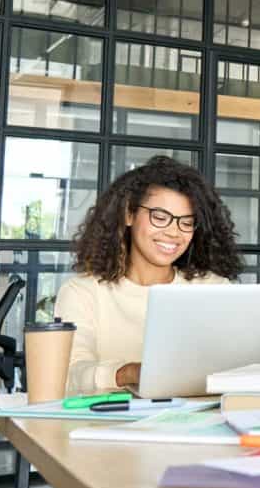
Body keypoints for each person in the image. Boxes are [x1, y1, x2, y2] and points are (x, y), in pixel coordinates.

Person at [54, 156, 243, 395]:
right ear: (129, 215)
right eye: (160, 218)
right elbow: (69, 375)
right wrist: (130, 373)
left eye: (186, 223)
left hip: (197, 425)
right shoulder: (83, 293)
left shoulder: (214, 289)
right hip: (104, 427)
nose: (174, 232)